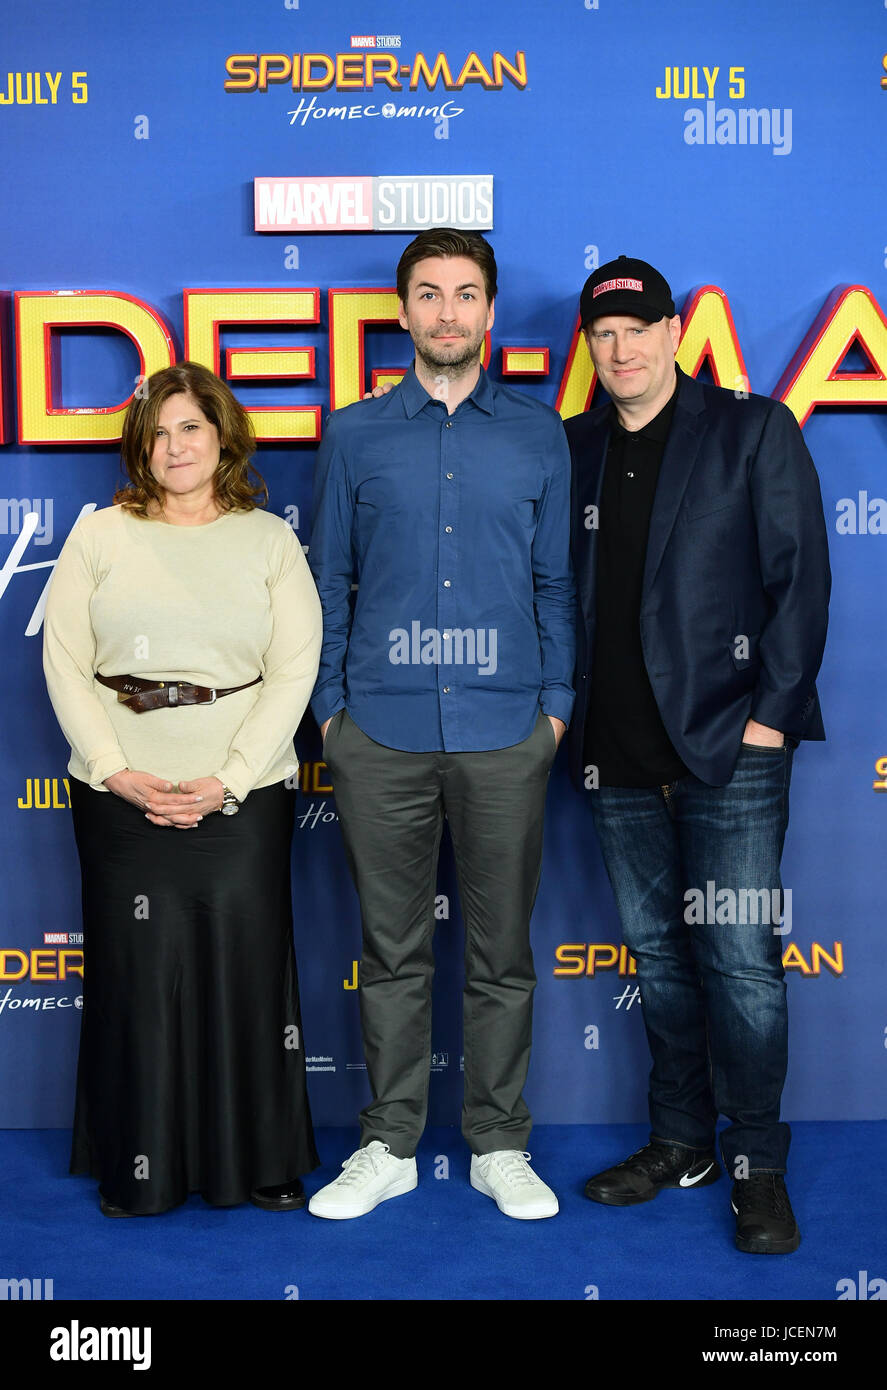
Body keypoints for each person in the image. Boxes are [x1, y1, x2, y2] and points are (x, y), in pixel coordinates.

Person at [307, 228, 576, 1220]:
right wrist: (330, 713)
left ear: (490, 311)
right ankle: (388, 1142)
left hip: (509, 733)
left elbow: (554, 581)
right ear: (404, 311)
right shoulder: (354, 433)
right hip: (377, 732)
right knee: (392, 953)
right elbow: (327, 578)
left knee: (501, 954)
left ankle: (499, 1143)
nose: (447, 312)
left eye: (465, 294)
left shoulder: (537, 432)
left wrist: (555, 711)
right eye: (428, 294)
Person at [565, 256, 830, 1253]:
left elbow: (798, 580)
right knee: (661, 965)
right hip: (615, 759)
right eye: (603, 333)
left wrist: (768, 716)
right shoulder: (574, 448)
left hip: (732, 751)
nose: (621, 347)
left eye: (638, 327)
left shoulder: (748, 428)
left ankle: (757, 1163)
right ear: (588, 344)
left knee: (741, 966)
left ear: (673, 331)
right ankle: (680, 1142)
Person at [43, 361, 323, 1217]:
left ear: (222, 436)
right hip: (120, 794)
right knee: (138, 972)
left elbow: (294, 672)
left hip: (241, 794)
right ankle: (141, 1169)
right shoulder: (100, 535)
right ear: (139, 446)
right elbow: (62, 660)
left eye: (191, 427)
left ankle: (261, 1158)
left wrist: (228, 781)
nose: (175, 445)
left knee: (247, 973)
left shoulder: (268, 540)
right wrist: (116, 772)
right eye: (159, 432)